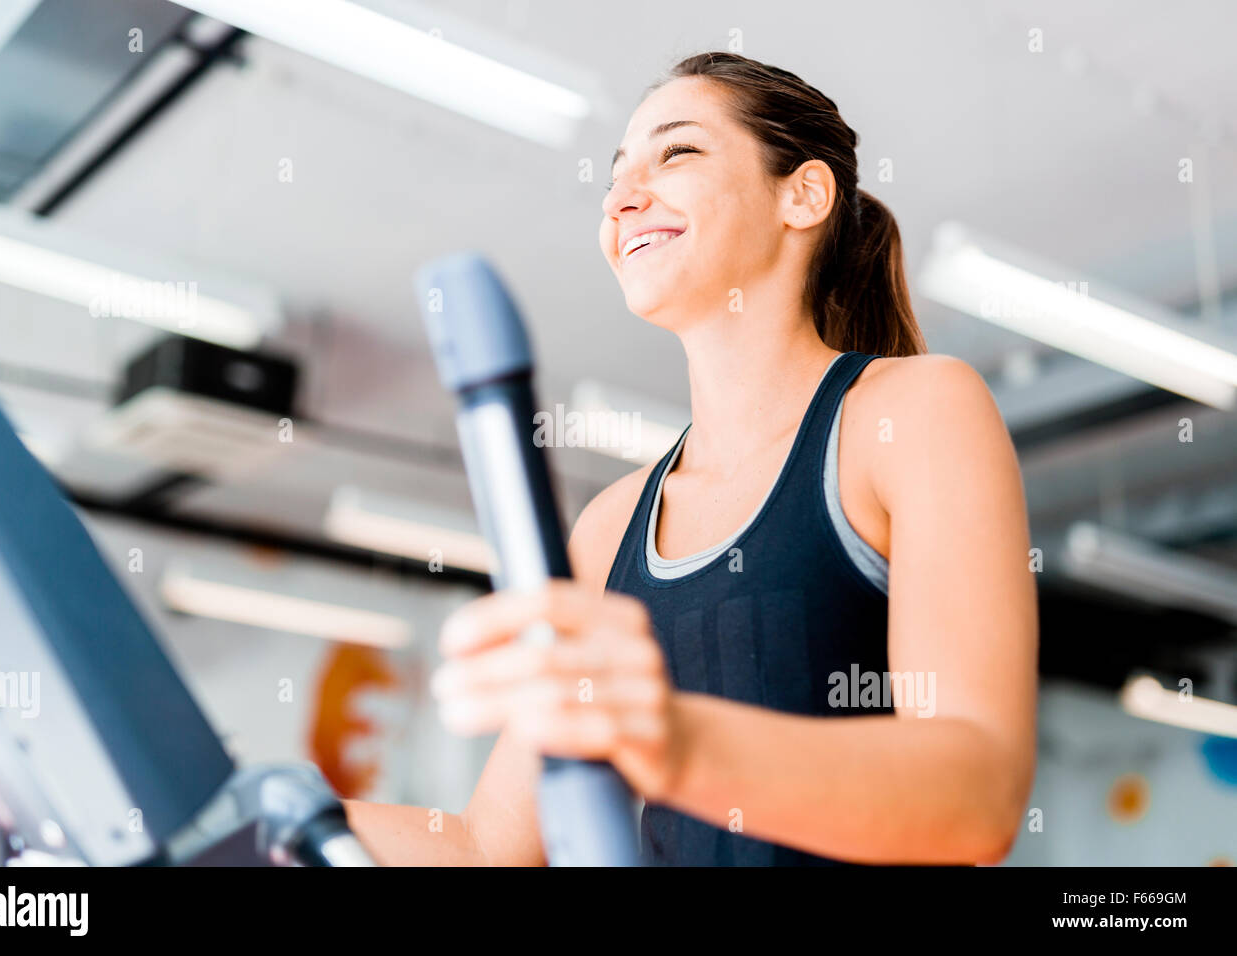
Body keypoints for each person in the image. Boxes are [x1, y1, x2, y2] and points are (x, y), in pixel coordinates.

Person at [344, 51, 1037, 866]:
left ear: (803, 194)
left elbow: (978, 794)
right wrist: (285, 819)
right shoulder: (611, 529)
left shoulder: (914, 412)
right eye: (614, 179)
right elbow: (487, 849)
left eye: (676, 153)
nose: (623, 200)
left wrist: (671, 739)